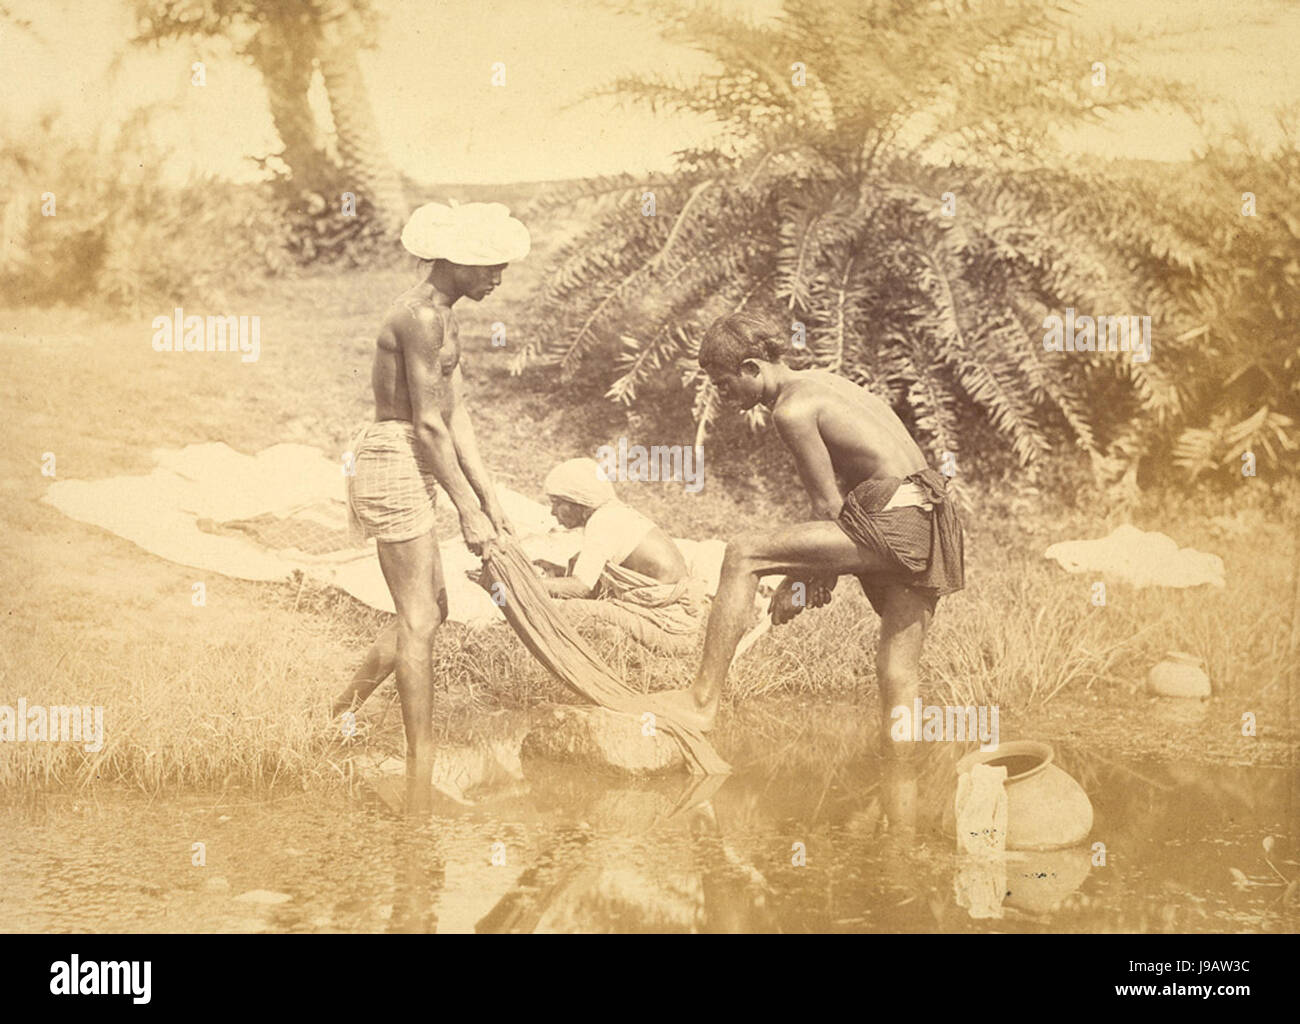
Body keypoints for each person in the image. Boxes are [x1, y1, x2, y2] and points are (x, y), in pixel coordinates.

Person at [654, 312, 964, 752]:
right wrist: (816, 574)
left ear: (751, 369)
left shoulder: (792, 409)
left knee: (743, 555)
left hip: (895, 522)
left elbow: (827, 507)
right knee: (898, 671)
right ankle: (902, 789)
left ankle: (702, 702)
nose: (723, 396)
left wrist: (798, 580)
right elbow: (847, 507)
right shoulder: (825, 381)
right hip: (933, 521)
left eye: (724, 383)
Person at [340, 201, 528, 808]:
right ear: (458, 262)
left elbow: (457, 415)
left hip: (418, 456)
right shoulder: (417, 317)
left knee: (430, 611)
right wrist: (466, 513)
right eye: (491, 266)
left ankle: (338, 712)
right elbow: (426, 426)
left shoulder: (447, 317)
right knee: (419, 618)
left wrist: (487, 497)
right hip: (395, 458)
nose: (499, 278)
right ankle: (420, 769)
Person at [538, 458, 705, 654]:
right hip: (670, 623)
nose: (552, 512)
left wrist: (526, 581)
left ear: (579, 503)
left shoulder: (604, 522)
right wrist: (556, 571)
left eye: (557, 503)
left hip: (671, 631)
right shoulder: (611, 514)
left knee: (570, 612)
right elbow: (597, 582)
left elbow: (581, 587)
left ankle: (636, 654)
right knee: (576, 563)